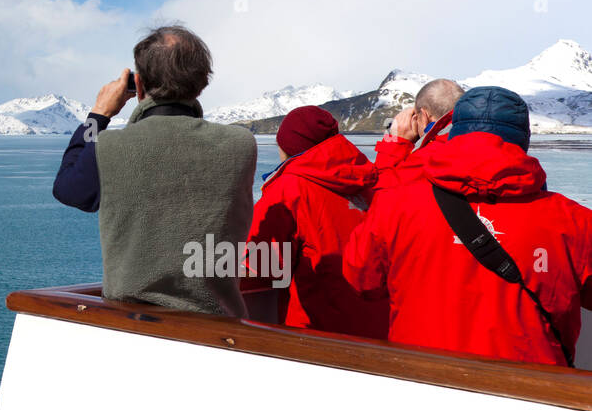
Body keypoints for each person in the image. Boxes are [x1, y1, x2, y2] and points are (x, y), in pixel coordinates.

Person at [343, 86, 592, 366]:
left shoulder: (392, 205)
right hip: (531, 393)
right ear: (523, 139)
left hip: (420, 380)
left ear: (454, 132)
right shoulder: (574, 221)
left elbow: (362, 280)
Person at [53, 25, 258, 315]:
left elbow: (68, 189)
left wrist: (98, 115)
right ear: (202, 84)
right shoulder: (241, 144)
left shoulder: (110, 147)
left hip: (133, 326)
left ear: (138, 85)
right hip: (221, 329)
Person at [244, 106, 389, 339]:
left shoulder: (289, 189)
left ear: (288, 147)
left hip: (316, 337)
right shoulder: (370, 180)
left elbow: (256, 265)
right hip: (379, 331)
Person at [373, 78, 464, 192]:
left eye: (417, 117)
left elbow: (381, 193)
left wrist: (396, 143)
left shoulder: (428, 159)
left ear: (425, 116)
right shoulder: (479, 142)